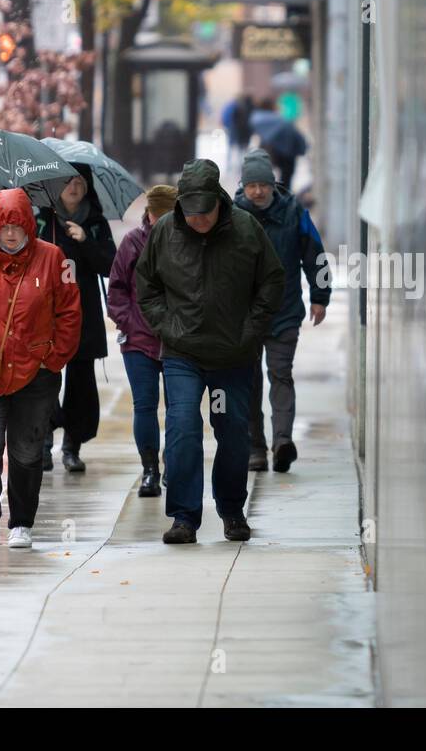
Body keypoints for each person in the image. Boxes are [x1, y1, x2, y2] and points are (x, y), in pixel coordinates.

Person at [135, 159, 284, 545]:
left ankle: (232, 510)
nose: (198, 219)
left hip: (230, 358)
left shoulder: (246, 230)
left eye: (205, 211)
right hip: (183, 355)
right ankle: (184, 516)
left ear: (218, 200)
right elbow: (145, 285)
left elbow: (272, 281)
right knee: (183, 428)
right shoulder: (166, 231)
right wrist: (166, 326)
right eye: (190, 211)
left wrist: (251, 331)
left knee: (232, 431)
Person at [0, 189, 82, 550]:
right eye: (4, 226)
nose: (11, 233)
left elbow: (69, 312)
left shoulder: (52, 258)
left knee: (25, 450)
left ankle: (22, 522)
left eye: (18, 226)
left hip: (35, 373)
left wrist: (52, 358)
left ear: (29, 227)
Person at [233, 149, 331, 473]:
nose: (258, 191)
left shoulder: (294, 212)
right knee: (248, 381)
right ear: (243, 186)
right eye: (252, 186)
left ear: (273, 184)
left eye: (263, 184)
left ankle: (282, 441)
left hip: (285, 310)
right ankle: (254, 448)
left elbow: (314, 255)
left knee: (280, 374)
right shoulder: (230, 215)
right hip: (244, 315)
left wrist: (320, 296)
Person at [35, 169, 116, 473]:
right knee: (44, 377)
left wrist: (84, 241)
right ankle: (43, 441)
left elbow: (111, 266)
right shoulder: (42, 219)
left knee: (81, 382)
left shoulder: (95, 222)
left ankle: (72, 446)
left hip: (84, 313)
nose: (74, 187)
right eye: (68, 181)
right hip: (46, 314)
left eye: (80, 182)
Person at [108, 184, 179, 497]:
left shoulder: (185, 241)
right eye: (157, 212)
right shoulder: (133, 242)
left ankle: (173, 465)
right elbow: (117, 288)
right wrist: (128, 321)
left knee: (180, 408)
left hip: (179, 340)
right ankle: (150, 469)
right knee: (145, 406)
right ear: (149, 212)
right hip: (138, 340)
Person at [248, 97, 307, 188]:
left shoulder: (257, 119)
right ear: (271, 107)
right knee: (286, 177)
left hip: (271, 152)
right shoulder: (279, 121)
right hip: (285, 152)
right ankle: (283, 195)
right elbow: (294, 135)